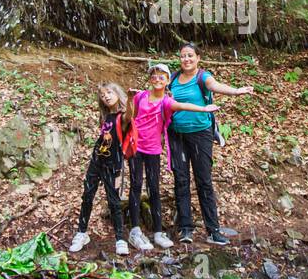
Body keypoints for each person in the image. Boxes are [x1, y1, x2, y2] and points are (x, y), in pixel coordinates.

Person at [126, 62, 218, 251]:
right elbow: (130, 117)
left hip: (153, 150)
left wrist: (203, 109)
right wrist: (129, 99)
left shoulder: (166, 102)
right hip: (136, 149)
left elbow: (182, 105)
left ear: (168, 80)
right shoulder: (141, 96)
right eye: (154, 76)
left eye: (161, 77)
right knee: (135, 186)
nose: (157, 79)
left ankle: (158, 232)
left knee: (154, 188)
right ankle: (134, 231)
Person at [168, 43, 253, 245]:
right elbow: (162, 100)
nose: (186, 59)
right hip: (176, 135)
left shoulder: (202, 77)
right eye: (183, 56)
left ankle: (213, 230)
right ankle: (186, 229)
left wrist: (235, 91)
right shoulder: (172, 78)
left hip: (200, 135)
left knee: (203, 180)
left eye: (190, 55)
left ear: (198, 58)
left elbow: (215, 86)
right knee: (181, 180)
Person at [70, 82, 130, 256]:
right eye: (103, 96)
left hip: (114, 163)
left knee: (114, 201)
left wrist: (132, 100)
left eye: (109, 93)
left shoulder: (124, 115)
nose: (107, 97)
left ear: (117, 93)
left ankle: (120, 239)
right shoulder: (105, 117)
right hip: (97, 161)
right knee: (87, 196)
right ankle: (81, 233)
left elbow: (129, 117)